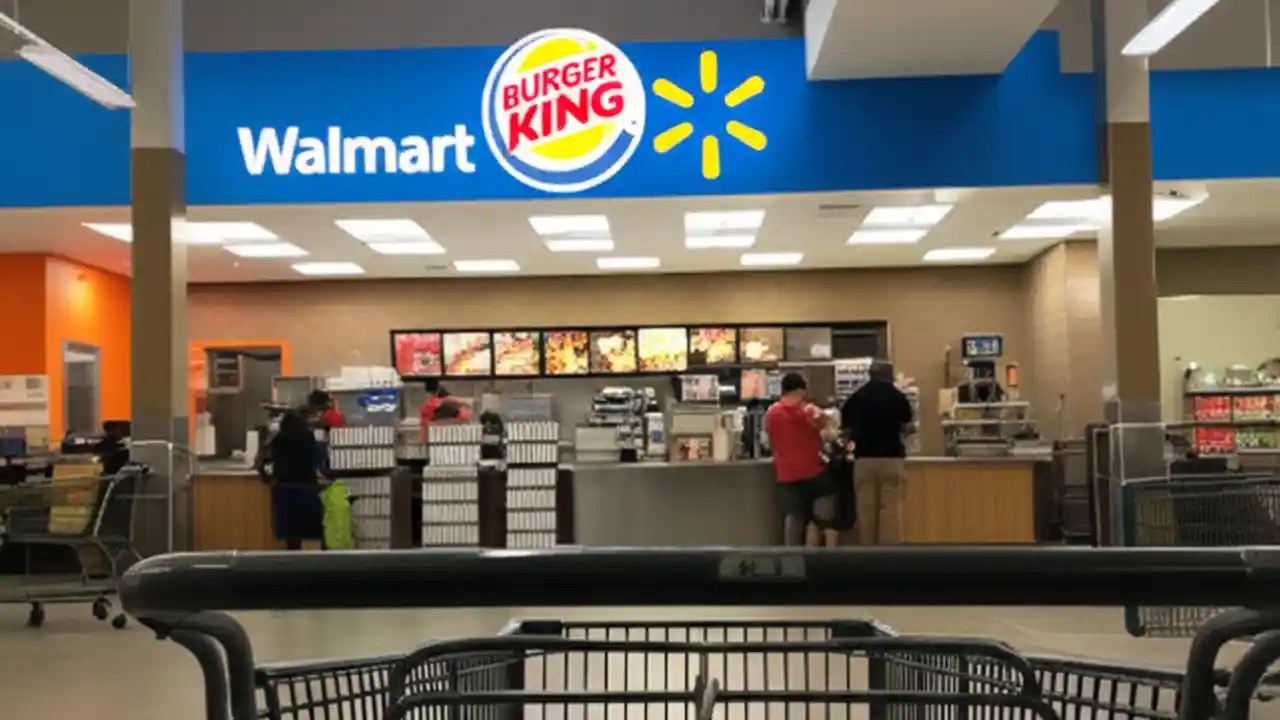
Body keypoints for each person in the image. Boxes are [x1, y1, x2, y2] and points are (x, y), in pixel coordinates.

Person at [841, 361, 914, 545]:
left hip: (864, 460)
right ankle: (889, 558)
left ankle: (868, 555)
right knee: (890, 511)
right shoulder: (898, 398)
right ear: (889, 375)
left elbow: (846, 431)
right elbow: (907, 426)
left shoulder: (856, 398)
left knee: (866, 512)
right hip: (891, 458)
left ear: (870, 374)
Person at [764, 372, 839, 547]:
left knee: (793, 518)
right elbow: (830, 427)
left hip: (786, 475)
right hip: (813, 473)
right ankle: (819, 558)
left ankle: (790, 559)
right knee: (821, 518)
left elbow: (767, 441)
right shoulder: (808, 409)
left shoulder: (771, 413)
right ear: (800, 390)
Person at [258, 409, 325, 551]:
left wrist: (268, 479)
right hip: (306, 488)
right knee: (310, 531)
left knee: (290, 534)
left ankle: (292, 561)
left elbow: (265, 462)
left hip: (284, 490)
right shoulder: (309, 438)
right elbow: (319, 461)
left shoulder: (278, 440)